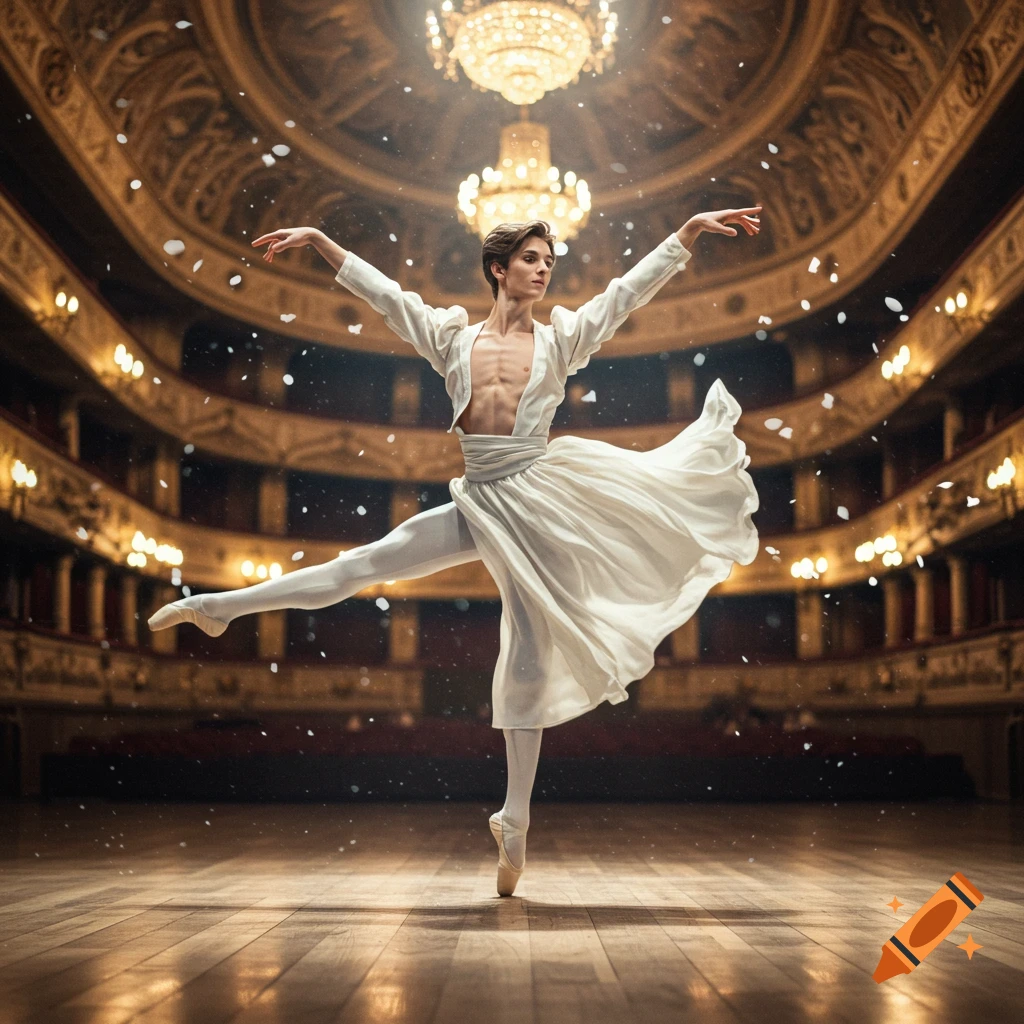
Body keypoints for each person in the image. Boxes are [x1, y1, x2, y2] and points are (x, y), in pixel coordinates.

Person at [149, 207, 763, 896]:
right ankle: (220, 607)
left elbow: (624, 294)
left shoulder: (563, 339)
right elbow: (387, 298)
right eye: (531, 258)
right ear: (498, 269)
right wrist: (325, 243)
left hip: (541, 501)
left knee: (527, 650)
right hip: (480, 495)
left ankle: (517, 818)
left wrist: (681, 236)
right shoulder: (450, 336)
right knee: (363, 564)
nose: (542, 269)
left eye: (548, 262)